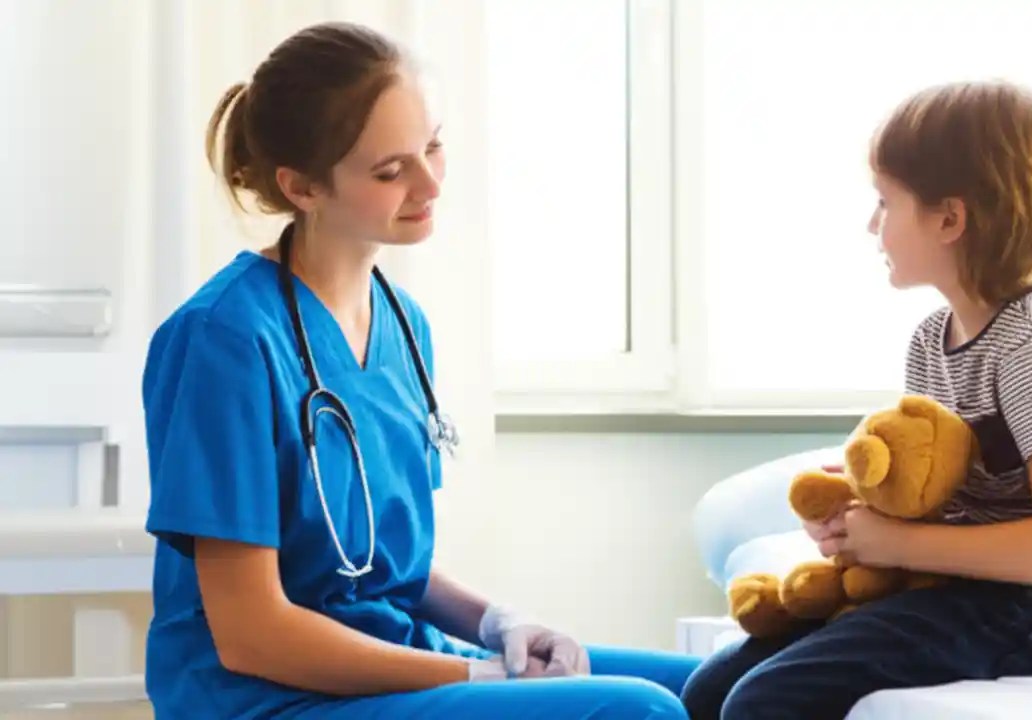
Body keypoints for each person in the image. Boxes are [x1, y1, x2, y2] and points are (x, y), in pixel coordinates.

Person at [141, 21, 698, 719]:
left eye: (432, 145)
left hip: (395, 657)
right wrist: (472, 681)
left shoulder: (403, 323)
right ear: (303, 187)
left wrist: (500, 625)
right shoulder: (222, 340)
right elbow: (252, 634)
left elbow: (380, 566)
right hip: (270, 699)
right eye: (390, 170)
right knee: (637, 712)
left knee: (720, 684)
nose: (430, 181)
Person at [681, 80, 1032, 719]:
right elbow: (941, 494)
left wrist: (896, 547)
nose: (873, 225)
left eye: (885, 202)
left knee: (766, 701)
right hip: (957, 590)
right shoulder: (932, 341)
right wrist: (864, 518)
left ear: (949, 218)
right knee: (706, 693)